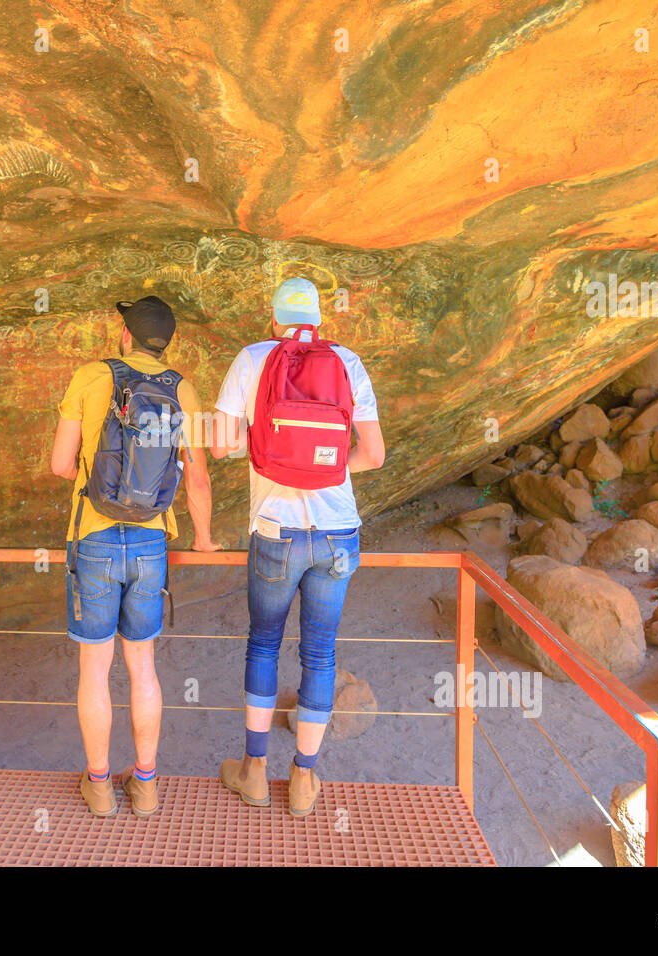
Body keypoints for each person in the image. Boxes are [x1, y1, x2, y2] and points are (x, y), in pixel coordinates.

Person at [209, 277, 385, 816]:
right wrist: (326, 469)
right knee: (320, 653)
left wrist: (271, 454)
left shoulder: (253, 357)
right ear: (318, 317)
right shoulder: (348, 362)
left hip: (275, 531)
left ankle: (255, 771)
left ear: (274, 316)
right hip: (337, 535)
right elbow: (373, 455)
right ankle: (304, 780)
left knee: (263, 644)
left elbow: (219, 445)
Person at [50, 295, 221, 817]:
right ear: (163, 342)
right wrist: (204, 540)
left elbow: (60, 465)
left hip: (95, 537)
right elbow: (196, 475)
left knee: (94, 669)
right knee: (142, 665)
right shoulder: (183, 388)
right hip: (151, 541)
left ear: (125, 335)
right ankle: (144, 785)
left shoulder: (89, 376)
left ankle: (99, 786)